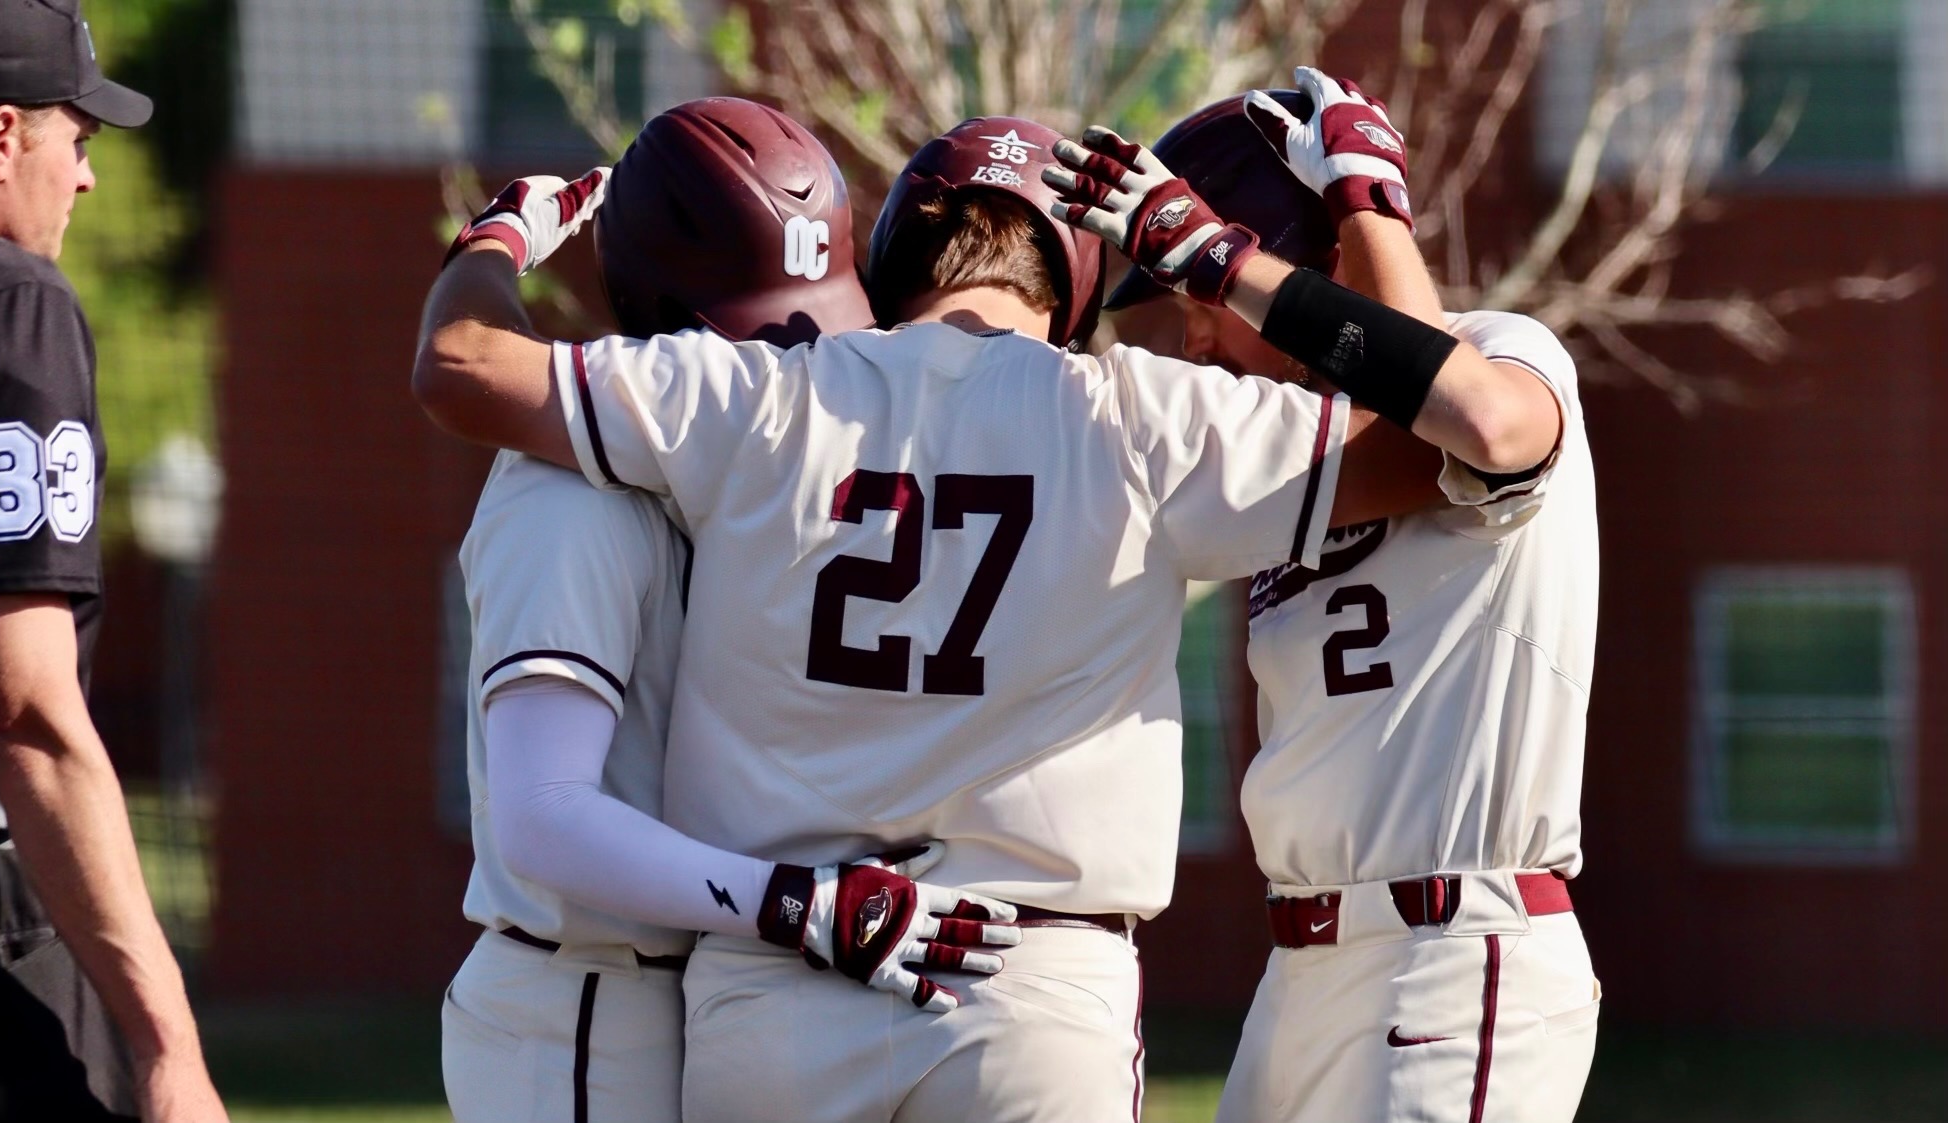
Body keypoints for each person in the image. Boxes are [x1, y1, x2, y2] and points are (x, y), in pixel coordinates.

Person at [413, 110, 1460, 1120]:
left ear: (884, 260)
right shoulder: (1140, 417)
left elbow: (461, 364)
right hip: (1031, 985)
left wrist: (495, 242)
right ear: (1073, 290)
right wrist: (1320, 233)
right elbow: (1459, 431)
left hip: (779, 981)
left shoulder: (755, 393)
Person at [439, 97, 1018, 1123]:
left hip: (718, 988)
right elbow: (541, 816)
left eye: (815, 327)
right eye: (759, 332)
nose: (795, 360)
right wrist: (795, 901)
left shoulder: (754, 465)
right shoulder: (567, 490)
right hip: (580, 1009)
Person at [1060, 69, 1599, 1122]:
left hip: (1456, 944)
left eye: (1199, 299)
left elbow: (1475, 427)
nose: (1200, 334)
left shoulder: (1503, 351)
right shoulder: (1279, 451)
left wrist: (1308, 233)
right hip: (1302, 971)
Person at [0, 2, 228, 1121]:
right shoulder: (2, 302)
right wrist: (166, 1042)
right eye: (80, 139)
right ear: (1, 137)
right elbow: (20, 705)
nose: (87, 179)